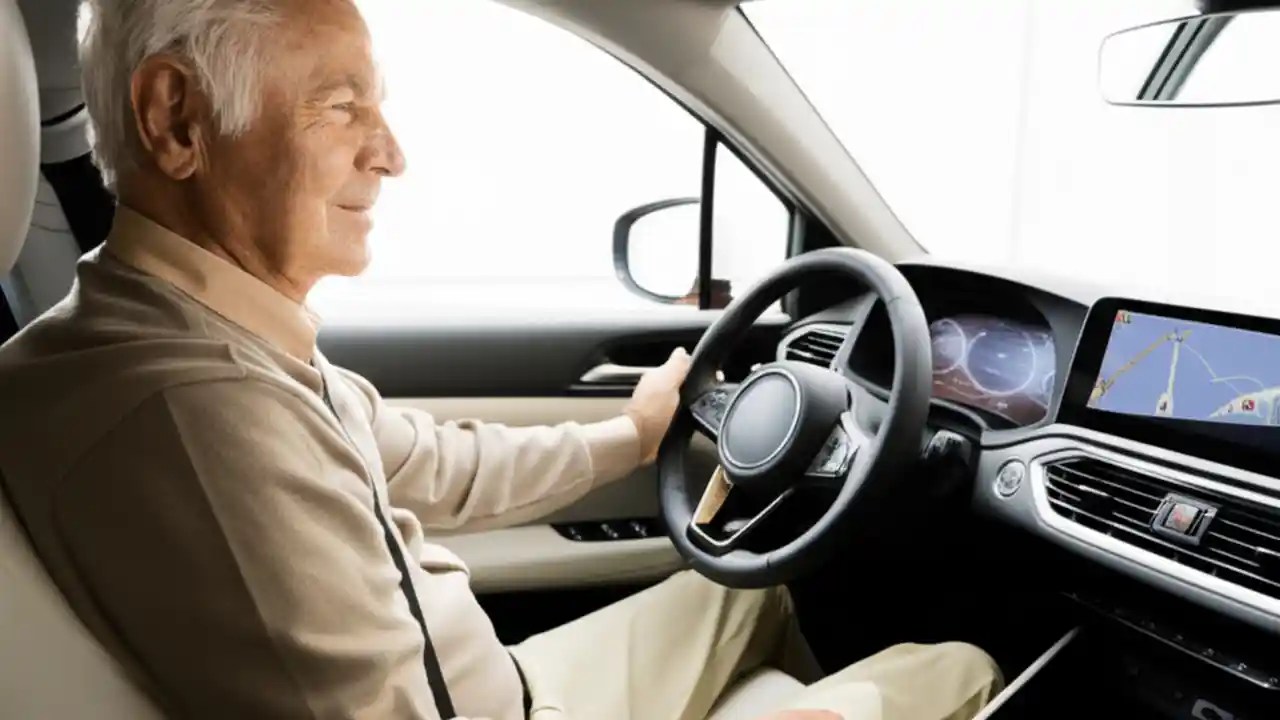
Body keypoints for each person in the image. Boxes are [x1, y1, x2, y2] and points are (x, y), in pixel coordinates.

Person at [0, 1, 1002, 718]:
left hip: (505, 687)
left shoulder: (170, 337)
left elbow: (432, 462)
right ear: (176, 119)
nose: (390, 153)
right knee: (952, 667)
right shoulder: (199, 410)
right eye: (340, 105)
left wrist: (632, 435)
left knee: (758, 588)